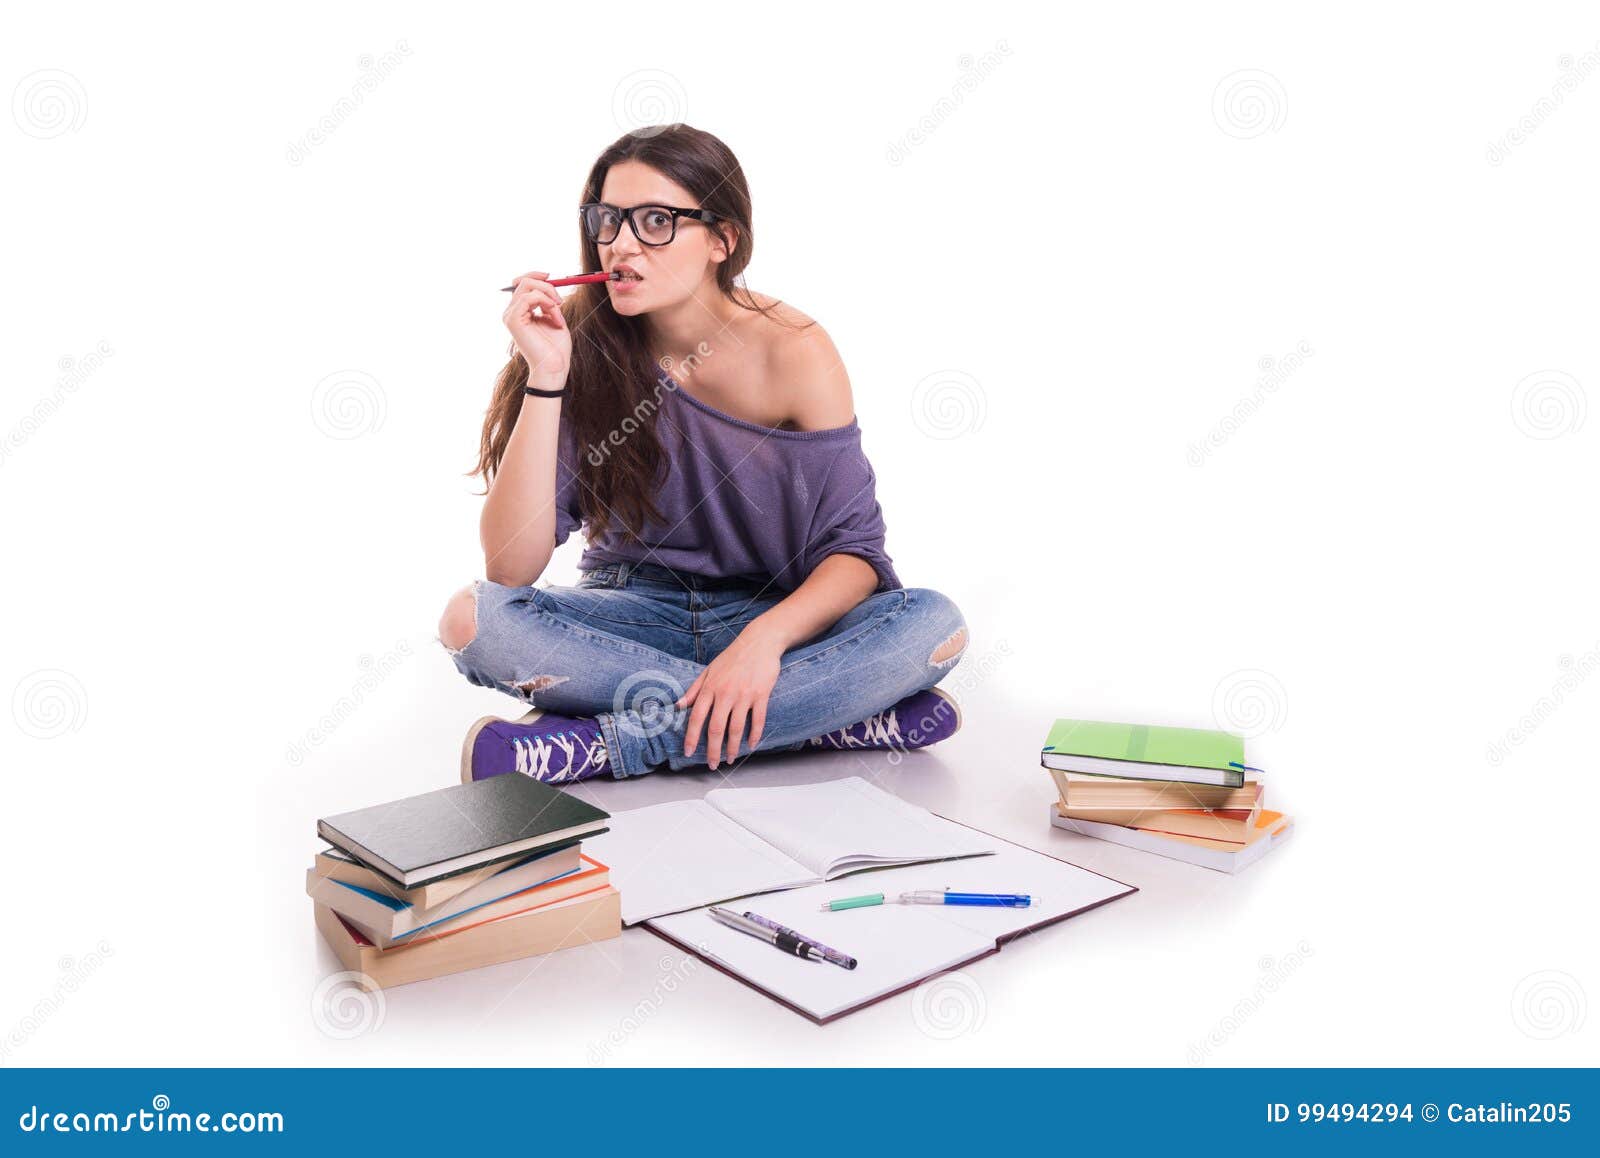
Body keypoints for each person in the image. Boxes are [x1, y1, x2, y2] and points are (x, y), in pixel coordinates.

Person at [438, 124, 967, 784]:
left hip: (778, 618)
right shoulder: (581, 345)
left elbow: (855, 556)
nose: (621, 243)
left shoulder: (795, 350)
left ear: (724, 240)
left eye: (656, 220)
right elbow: (511, 568)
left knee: (933, 623)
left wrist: (761, 644)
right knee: (471, 619)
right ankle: (830, 717)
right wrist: (546, 373)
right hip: (634, 618)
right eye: (608, 220)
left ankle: (610, 745)